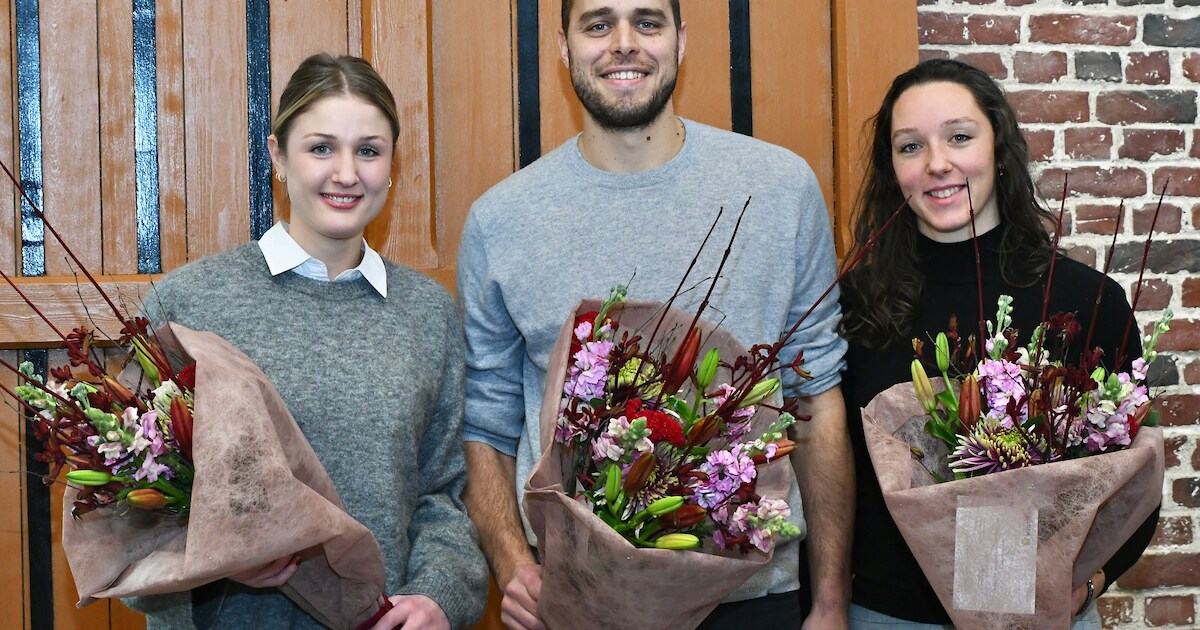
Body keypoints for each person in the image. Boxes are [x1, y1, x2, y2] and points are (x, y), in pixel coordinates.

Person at [455, 1, 851, 628]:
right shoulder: (502, 220)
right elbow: (487, 420)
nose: (623, 43)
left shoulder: (781, 188)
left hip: (755, 596)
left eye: (647, 22)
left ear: (680, 40)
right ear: (563, 47)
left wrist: (829, 601)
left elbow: (818, 398)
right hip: (578, 599)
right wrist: (512, 565)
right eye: (597, 24)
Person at [127, 53, 488, 629]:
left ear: (392, 165)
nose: (346, 173)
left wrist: (439, 595)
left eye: (368, 150)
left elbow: (441, 493)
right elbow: (132, 496)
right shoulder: (188, 303)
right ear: (277, 155)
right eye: (321, 148)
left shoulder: (427, 314)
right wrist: (215, 555)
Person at [832, 58, 1160, 628]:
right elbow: (835, 477)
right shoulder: (854, 304)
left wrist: (1084, 589)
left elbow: (1134, 479)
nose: (937, 164)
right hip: (887, 615)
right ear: (892, 168)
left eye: (959, 137)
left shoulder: (1087, 301)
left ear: (999, 149)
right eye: (909, 147)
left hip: (1042, 614)